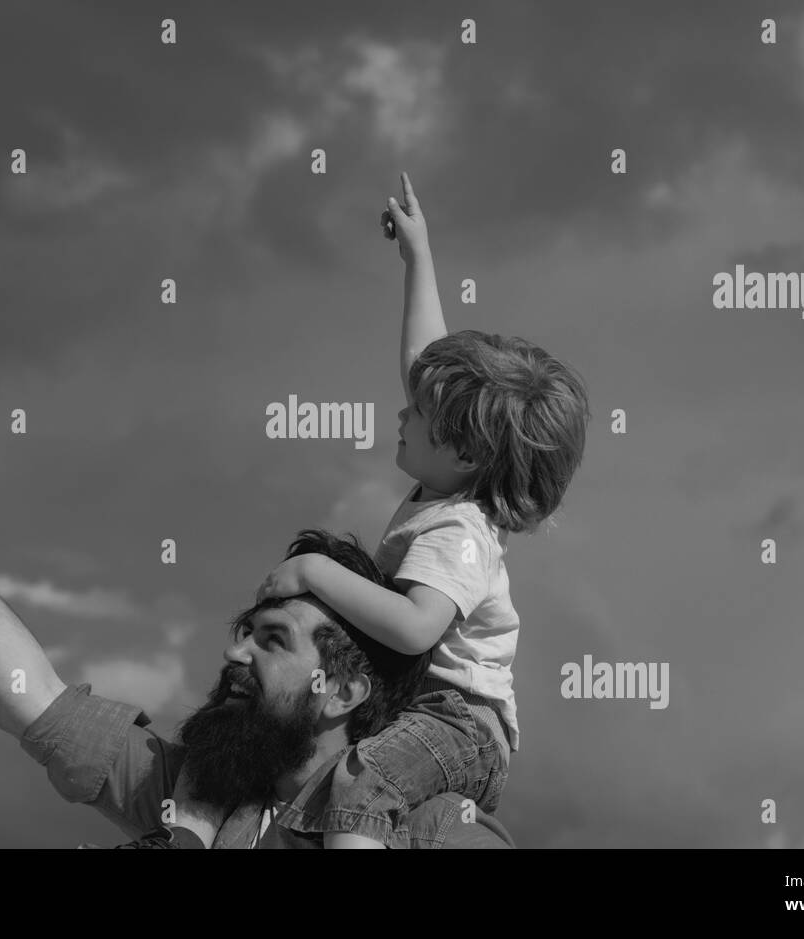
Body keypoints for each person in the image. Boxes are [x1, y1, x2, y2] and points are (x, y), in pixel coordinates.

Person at [0, 380, 514, 847]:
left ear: (342, 690)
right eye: (244, 633)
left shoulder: (431, 826)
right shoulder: (195, 794)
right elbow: (32, 698)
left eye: (273, 640)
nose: (236, 654)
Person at [168, 172, 592, 848]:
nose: (401, 411)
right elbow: (424, 358)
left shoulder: (458, 529)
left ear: (462, 451)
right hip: (422, 712)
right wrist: (418, 257)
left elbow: (416, 626)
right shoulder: (447, 485)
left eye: (417, 415)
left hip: (461, 723)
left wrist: (311, 570)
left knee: (361, 780)